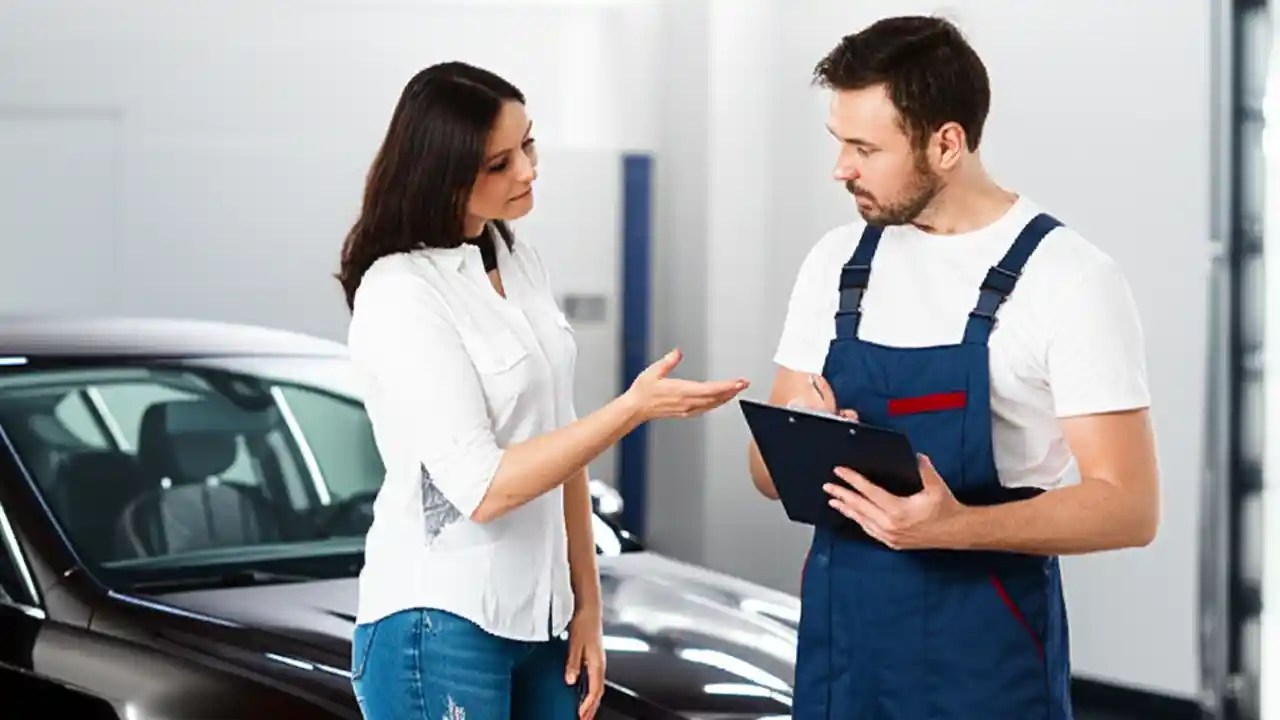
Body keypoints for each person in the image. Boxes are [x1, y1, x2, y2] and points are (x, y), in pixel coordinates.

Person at [746, 16, 1160, 719]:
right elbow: (764, 472)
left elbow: (1129, 505)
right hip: (843, 647)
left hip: (985, 655)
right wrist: (802, 436)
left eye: (864, 148)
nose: (840, 168)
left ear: (946, 144)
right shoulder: (838, 264)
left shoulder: (1069, 279)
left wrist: (950, 526)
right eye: (838, 142)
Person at [338, 62, 748, 720]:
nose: (527, 171)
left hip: (542, 617)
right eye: (499, 163)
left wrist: (586, 603)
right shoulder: (400, 292)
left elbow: (562, 443)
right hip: (438, 618)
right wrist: (630, 411)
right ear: (444, 172)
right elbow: (484, 489)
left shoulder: (517, 257)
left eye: (528, 145)